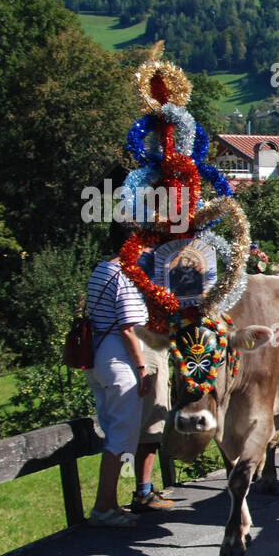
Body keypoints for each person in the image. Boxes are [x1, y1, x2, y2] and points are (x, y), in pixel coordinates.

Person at [85, 222, 150, 526]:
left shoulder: (102, 269)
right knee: (122, 437)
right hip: (119, 361)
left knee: (114, 433)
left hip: (98, 357)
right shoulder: (125, 274)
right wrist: (141, 367)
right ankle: (103, 508)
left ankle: (109, 503)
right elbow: (128, 327)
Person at [129, 242, 175, 513]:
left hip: (148, 345)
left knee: (150, 421)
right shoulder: (140, 267)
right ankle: (143, 491)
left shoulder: (123, 267)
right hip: (148, 347)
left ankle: (143, 489)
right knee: (151, 424)